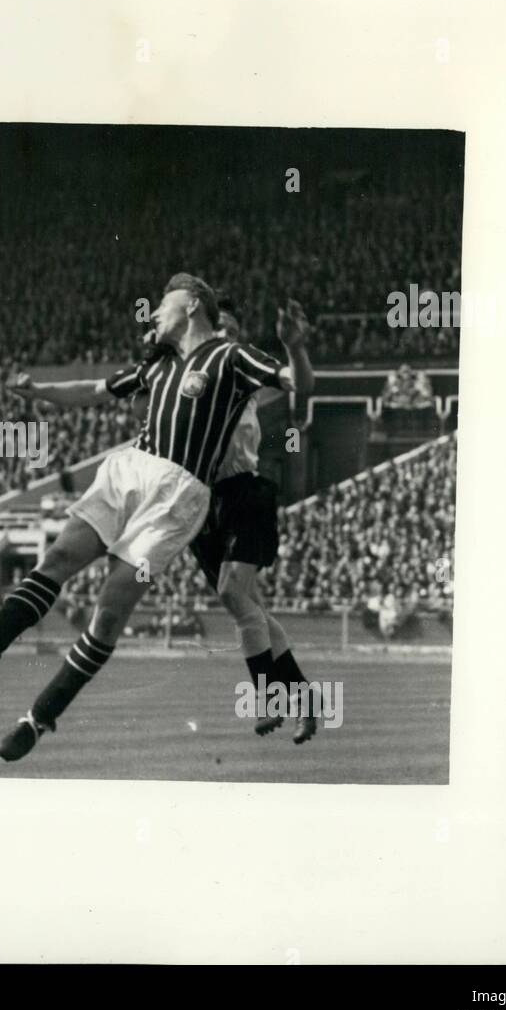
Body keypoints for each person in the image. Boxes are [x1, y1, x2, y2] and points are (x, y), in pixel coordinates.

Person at [0, 273, 308, 762]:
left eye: (163, 302)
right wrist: (38, 393)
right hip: (128, 470)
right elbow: (96, 389)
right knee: (58, 557)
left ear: (194, 304)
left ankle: (38, 718)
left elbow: (295, 383)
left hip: (180, 494)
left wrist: (294, 348)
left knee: (111, 609)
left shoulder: (230, 354)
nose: (154, 311)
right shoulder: (156, 367)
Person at [181, 299, 322, 743]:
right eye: (215, 327)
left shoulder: (244, 376)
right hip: (200, 504)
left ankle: (270, 699)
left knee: (232, 593)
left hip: (242, 491)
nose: (221, 334)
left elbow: (300, 385)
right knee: (249, 607)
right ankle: (305, 701)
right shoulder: (182, 382)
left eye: (229, 329)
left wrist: (294, 348)